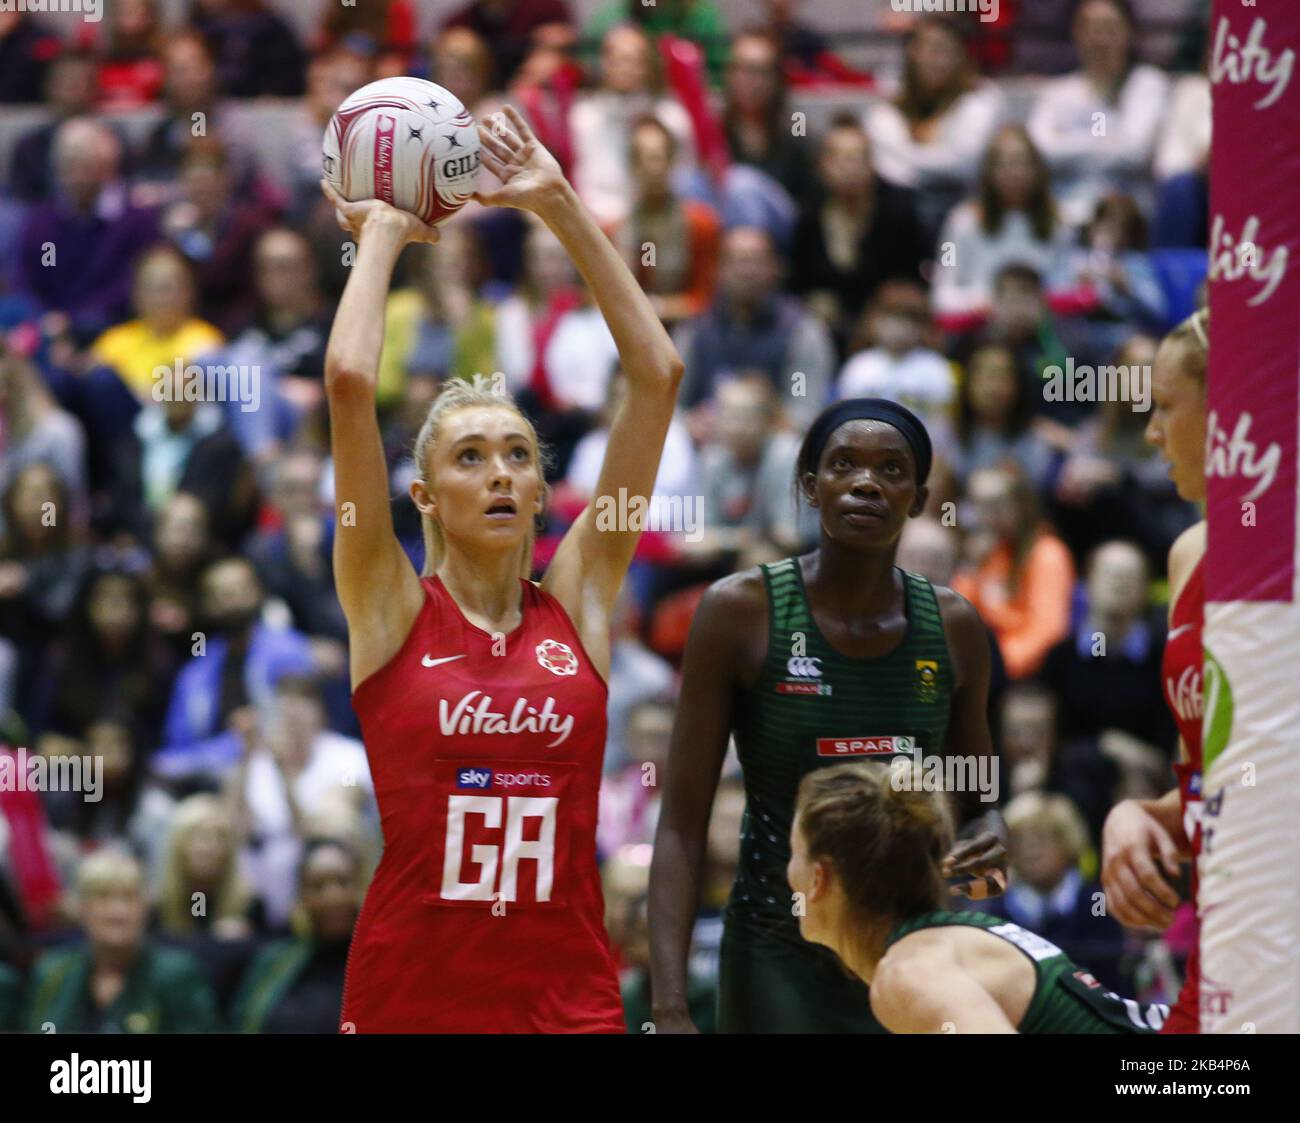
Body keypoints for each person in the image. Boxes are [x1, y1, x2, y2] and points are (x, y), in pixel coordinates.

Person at [323, 105, 683, 1032]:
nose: (499, 472)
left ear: (539, 493)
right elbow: (351, 383)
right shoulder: (386, 603)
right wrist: (387, 234)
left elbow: (657, 375)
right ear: (426, 496)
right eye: (471, 456)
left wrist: (559, 202)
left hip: (567, 1002)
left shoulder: (582, 599)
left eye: (518, 455)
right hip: (410, 998)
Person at [649, 398, 1006, 1033]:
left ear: (919, 499)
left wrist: (990, 832)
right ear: (811, 486)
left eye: (891, 470)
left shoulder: (955, 627)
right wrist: (670, 1006)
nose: (867, 481)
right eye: (844, 464)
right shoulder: (739, 612)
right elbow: (680, 824)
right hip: (775, 945)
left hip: (910, 949)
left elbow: (979, 793)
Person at [787, 761, 1167, 1033]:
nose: (787, 873)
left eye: (794, 853)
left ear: (819, 878)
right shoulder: (942, 942)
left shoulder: (909, 973)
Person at [1101, 308, 1207, 1034]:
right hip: (1228, 928)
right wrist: (1136, 813)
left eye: (1165, 406)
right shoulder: (1190, 553)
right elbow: (1209, 776)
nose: (1150, 431)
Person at [23, 850, 219, 1033]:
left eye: (129, 897)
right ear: (80, 907)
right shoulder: (53, 971)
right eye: (103, 897)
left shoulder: (178, 974)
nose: (118, 912)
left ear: (146, 907)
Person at [229, 837, 363, 1033]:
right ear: (301, 896)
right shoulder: (273, 961)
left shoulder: (381, 963)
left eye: (343, 883)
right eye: (318, 887)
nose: (332, 897)